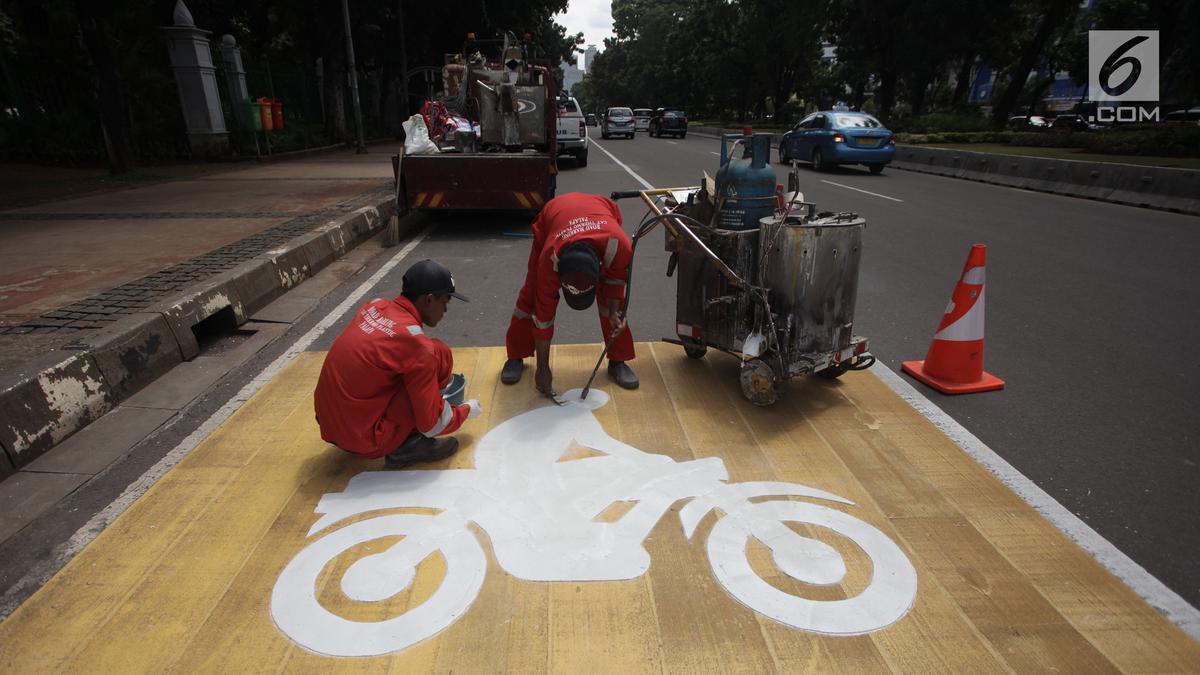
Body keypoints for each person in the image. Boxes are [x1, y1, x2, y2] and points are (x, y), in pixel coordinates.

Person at [314, 259, 482, 469]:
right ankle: (410, 445)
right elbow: (432, 424)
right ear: (429, 300)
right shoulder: (416, 345)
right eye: (445, 302)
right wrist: (466, 410)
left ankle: (380, 432)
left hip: (329, 424)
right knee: (439, 354)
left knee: (431, 354)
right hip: (365, 440)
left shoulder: (375, 307)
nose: (446, 310)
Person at [501, 192, 638, 393]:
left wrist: (615, 313)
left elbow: (616, 282)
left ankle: (618, 360)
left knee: (611, 305)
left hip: (600, 212)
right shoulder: (549, 258)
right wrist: (543, 368)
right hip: (554, 219)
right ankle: (516, 354)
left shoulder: (619, 245)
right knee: (531, 295)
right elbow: (543, 315)